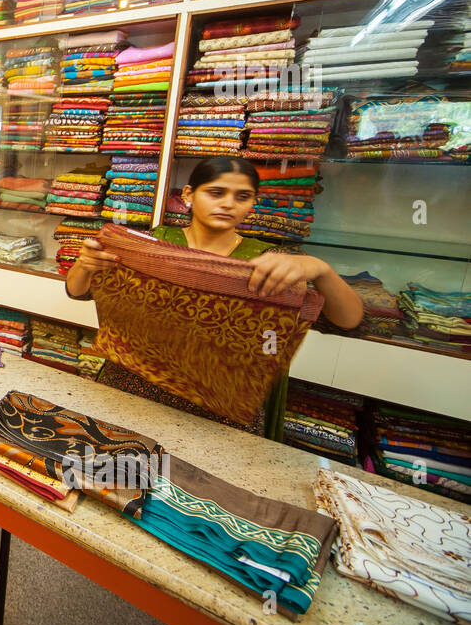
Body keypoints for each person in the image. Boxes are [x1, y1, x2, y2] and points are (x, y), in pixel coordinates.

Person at [64, 156, 363, 438]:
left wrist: (321, 271)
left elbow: (348, 320)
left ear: (253, 204)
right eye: (216, 193)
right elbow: (78, 291)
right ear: (189, 195)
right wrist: (84, 264)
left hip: (219, 408)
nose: (228, 204)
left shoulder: (267, 262)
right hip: (133, 385)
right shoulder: (155, 244)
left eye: (242, 197)